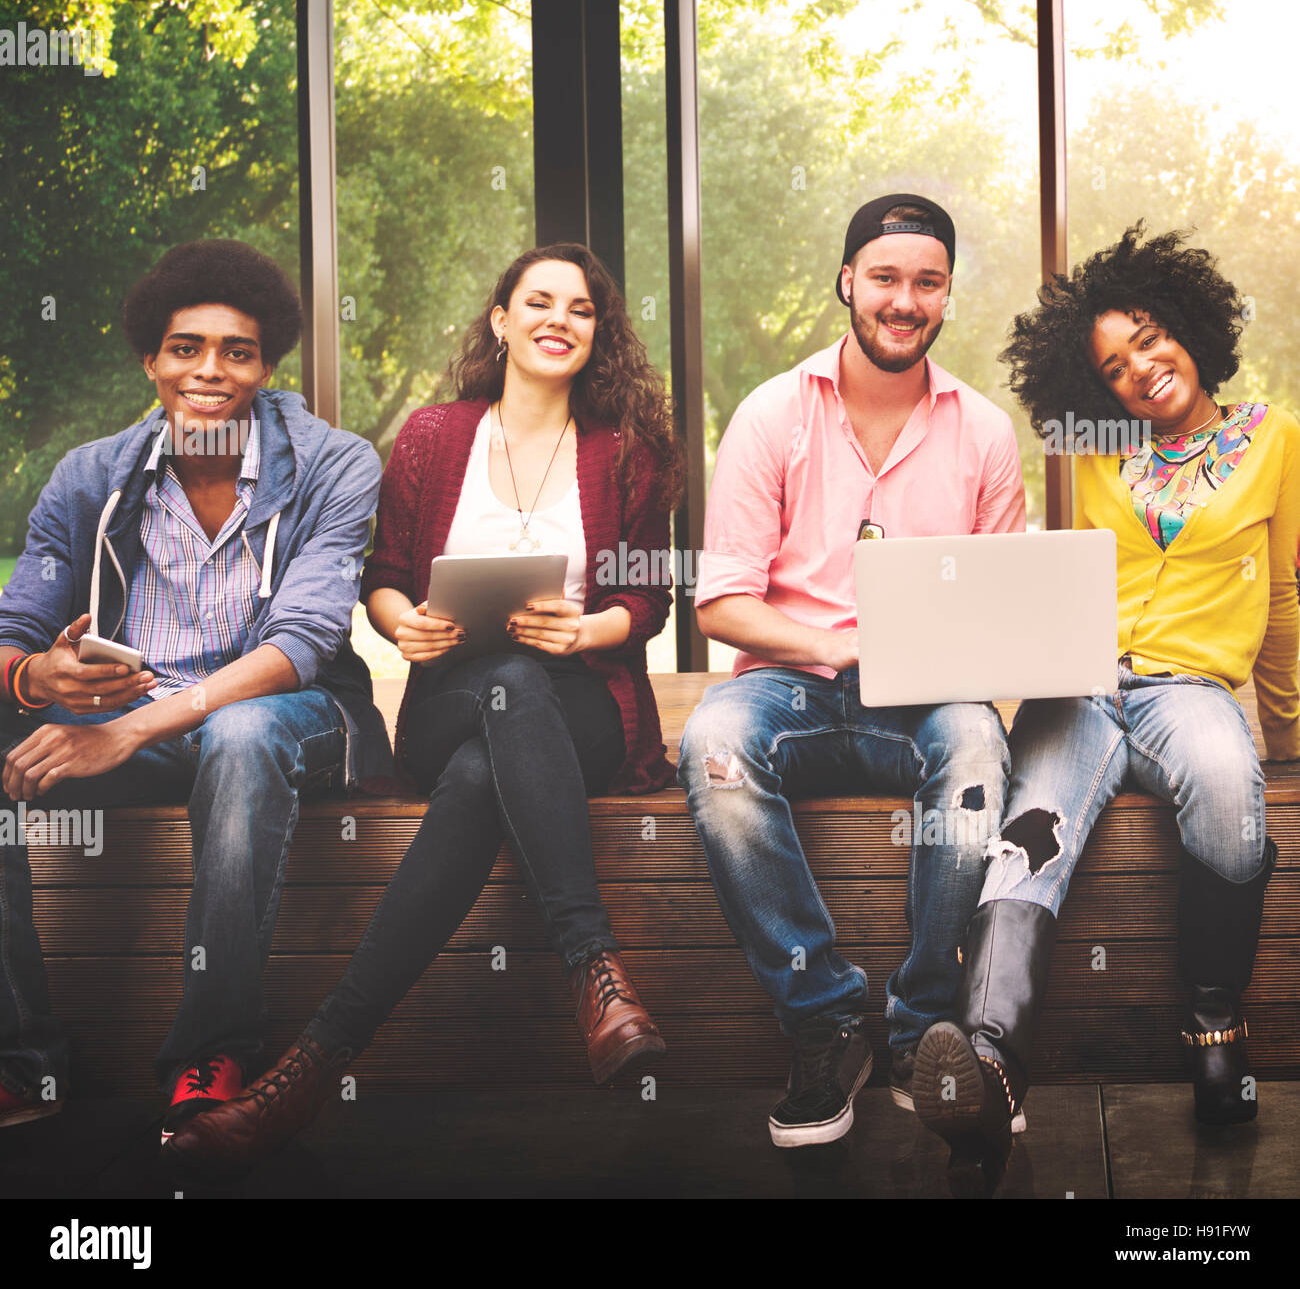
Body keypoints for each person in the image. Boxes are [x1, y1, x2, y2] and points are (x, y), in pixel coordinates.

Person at [162, 241, 684, 1178]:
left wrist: (590, 627)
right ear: (501, 320)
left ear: (599, 333)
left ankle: (309, 1071)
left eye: (581, 309)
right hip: (448, 697)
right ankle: (594, 970)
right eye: (539, 302)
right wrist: (407, 628)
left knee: (506, 724)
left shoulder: (627, 451)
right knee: (498, 689)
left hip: (584, 707)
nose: (558, 320)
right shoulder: (436, 436)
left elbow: (651, 597)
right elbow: (385, 580)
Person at [913, 223, 1298, 1197]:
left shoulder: (1275, 439)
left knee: (1226, 786)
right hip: (1080, 685)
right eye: (1114, 366)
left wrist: (1287, 729)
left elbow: (1287, 592)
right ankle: (990, 1060)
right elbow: (1061, 569)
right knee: (1025, 834)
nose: (1140, 369)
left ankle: (1213, 1020)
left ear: (1191, 327)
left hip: (1188, 689)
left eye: (1151, 338)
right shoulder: (1093, 450)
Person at [0, 240, 391, 1142]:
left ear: (266, 366)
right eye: (186, 347)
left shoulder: (335, 465)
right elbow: (16, 631)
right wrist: (37, 677)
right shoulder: (90, 475)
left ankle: (211, 1053)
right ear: (151, 358)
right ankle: (24, 1063)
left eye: (237, 351)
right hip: (132, 722)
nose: (209, 371)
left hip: (293, 718)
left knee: (243, 734)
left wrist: (128, 732)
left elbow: (301, 644)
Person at [677, 195, 1027, 1149]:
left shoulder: (985, 432)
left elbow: (1003, 606)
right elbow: (721, 604)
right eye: (884, 278)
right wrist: (834, 644)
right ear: (847, 282)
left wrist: (975, 652)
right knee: (712, 740)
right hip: (790, 685)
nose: (904, 300)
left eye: (926, 281)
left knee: (973, 743)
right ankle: (825, 1020)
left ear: (948, 294)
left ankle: (921, 1031)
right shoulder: (771, 414)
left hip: (920, 700)